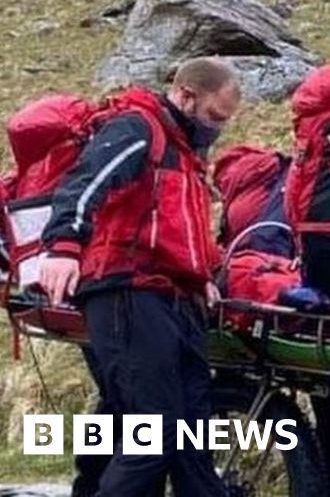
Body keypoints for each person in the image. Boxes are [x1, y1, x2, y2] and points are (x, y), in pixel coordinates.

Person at [38, 57, 241, 497]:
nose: (217, 129)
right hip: (127, 292)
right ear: (186, 94)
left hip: (172, 297)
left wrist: (199, 275)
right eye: (214, 117)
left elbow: (177, 226)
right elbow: (85, 184)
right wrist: (63, 245)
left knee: (192, 438)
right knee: (156, 433)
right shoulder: (137, 129)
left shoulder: (183, 150)